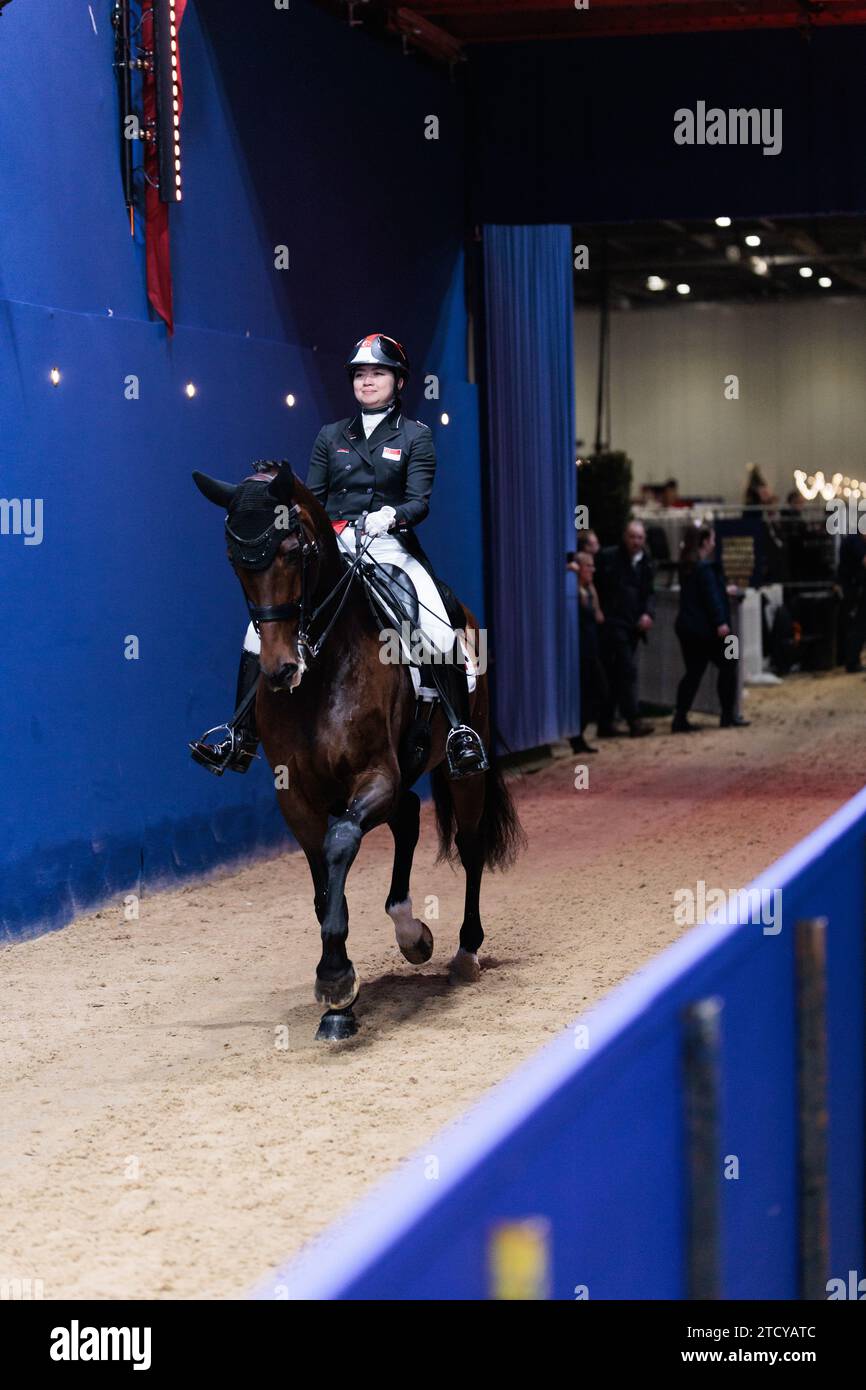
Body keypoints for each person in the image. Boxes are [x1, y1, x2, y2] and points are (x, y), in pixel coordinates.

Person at [189, 332, 488, 778]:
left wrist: (392, 515)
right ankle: (240, 735)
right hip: (337, 543)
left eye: (378, 374)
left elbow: (419, 500)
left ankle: (460, 731)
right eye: (361, 375)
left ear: (399, 382)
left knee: (436, 622)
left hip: (390, 545)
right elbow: (316, 500)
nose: (367, 382)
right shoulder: (331, 436)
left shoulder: (415, 437)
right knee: (258, 633)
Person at [672, 525, 749, 731]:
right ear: (705, 541)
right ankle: (728, 715)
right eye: (712, 539)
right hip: (709, 630)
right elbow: (710, 597)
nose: (714, 542)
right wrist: (721, 622)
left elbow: (701, 593)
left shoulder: (687, 565)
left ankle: (680, 717)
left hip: (688, 629)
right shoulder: (705, 568)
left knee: (693, 673)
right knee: (729, 664)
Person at [594, 519, 655, 738]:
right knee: (627, 671)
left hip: (633, 627)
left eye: (640, 537)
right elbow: (595, 584)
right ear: (624, 537)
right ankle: (634, 721)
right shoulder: (608, 557)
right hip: (612, 625)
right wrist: (597, 610)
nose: (636, 542)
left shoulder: (646, 562)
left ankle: (605, 723)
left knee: (616, 674)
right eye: (632, 537)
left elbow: (649, 593)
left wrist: (648, 613)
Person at [569, 549, 608, 753]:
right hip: (582, 652)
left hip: (592, 649)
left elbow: (599, 616)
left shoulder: (589, 590)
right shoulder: (574, 592)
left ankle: (578, 735)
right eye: (588, 566)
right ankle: (576, 737)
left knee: (597, 692)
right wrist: (571, 570)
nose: (593, 569)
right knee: (591, 692)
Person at [838, 531, 866, 673]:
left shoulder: (857, 540)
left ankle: (852, 660)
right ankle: (851, 662)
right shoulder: (854, 541)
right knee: (856, 627)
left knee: (858, 627)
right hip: (853, 590)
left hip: (856, 589)